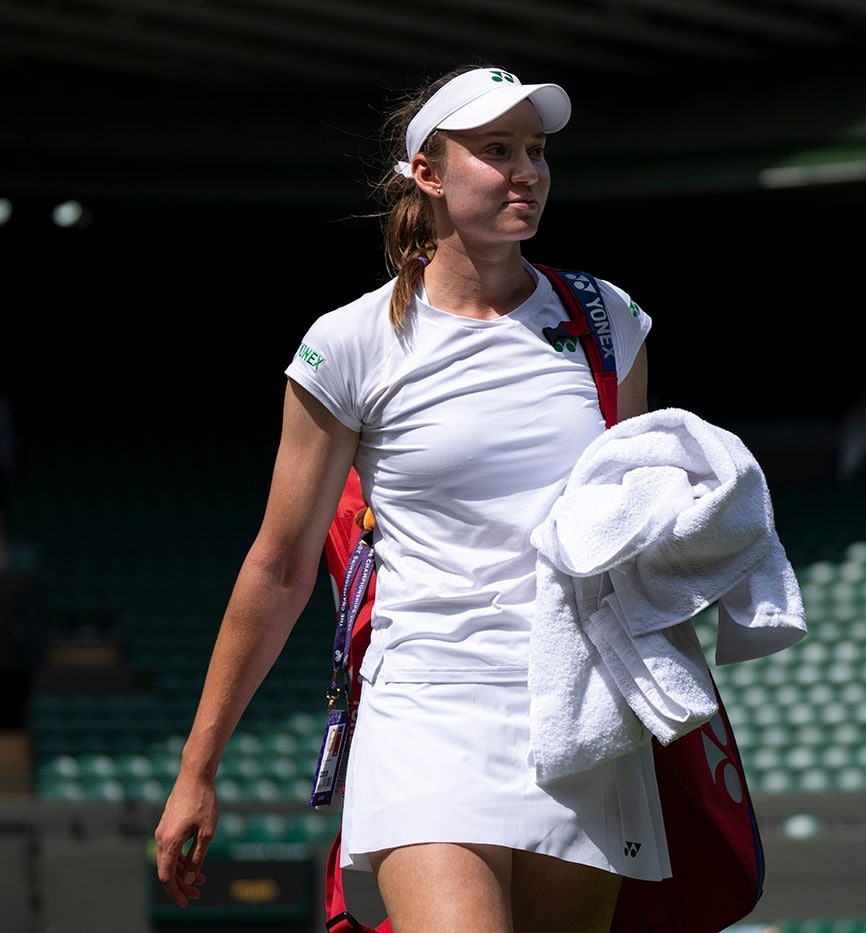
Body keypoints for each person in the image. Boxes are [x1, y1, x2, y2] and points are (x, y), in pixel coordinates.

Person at [153, 63, 660, 932]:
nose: (528, 172)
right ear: (427, 172)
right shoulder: (346, 342)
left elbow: (629, 525)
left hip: (582, 715)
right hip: (427, 703)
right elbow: (279, 566)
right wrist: (198, 767)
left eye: (536, 151)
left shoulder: (610, 319)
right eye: (496, 150)